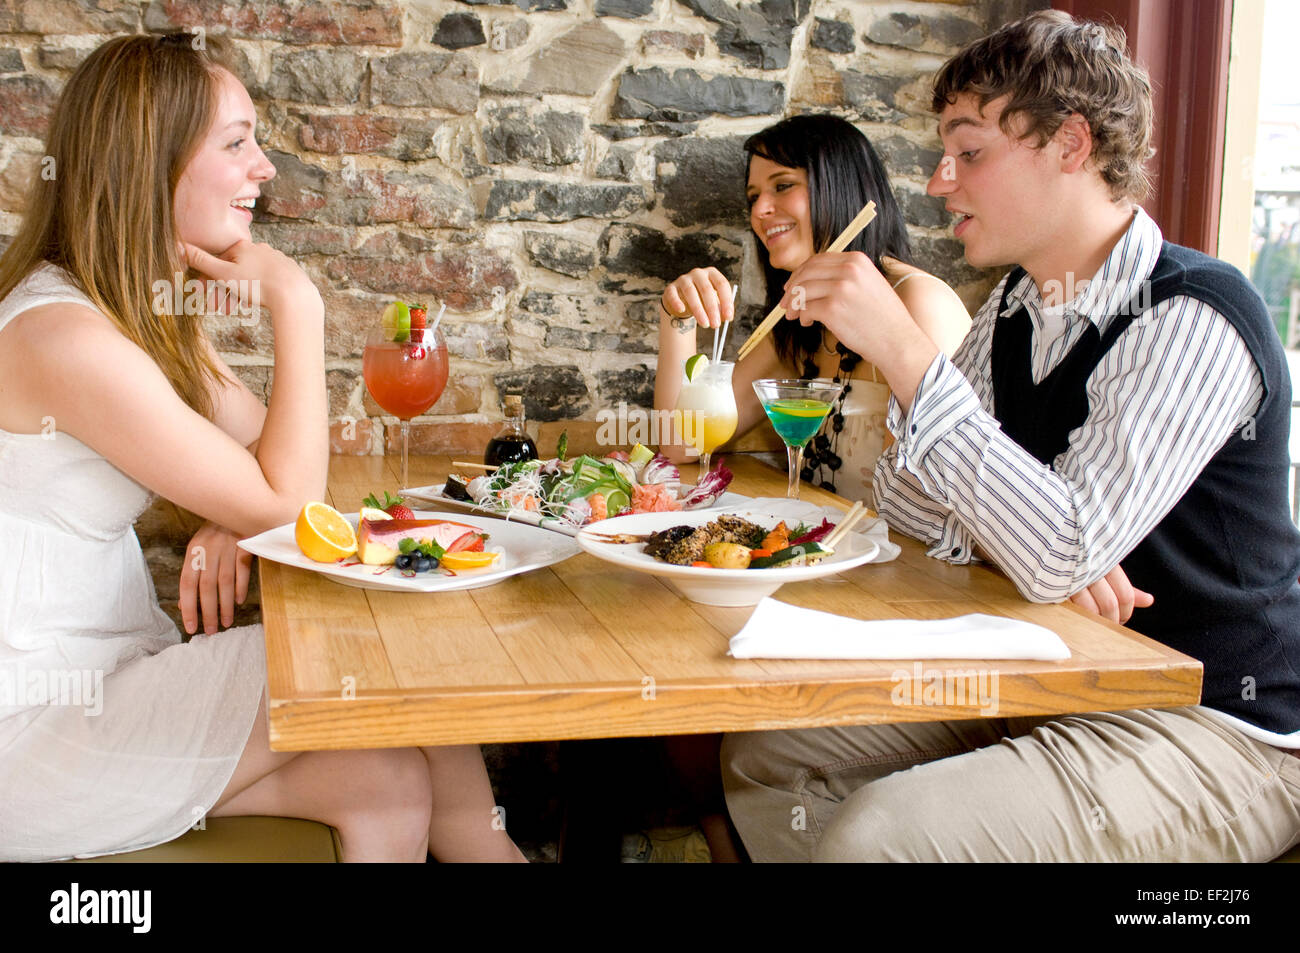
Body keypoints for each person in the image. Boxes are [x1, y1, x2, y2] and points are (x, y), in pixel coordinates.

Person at [721, 10, 1300, 862]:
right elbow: (913, 513)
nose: (939, 181)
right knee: (769, 755)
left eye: (970, 152)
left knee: (877, 837)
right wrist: (1043, 542)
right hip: (1056, 671)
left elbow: (1056, 545)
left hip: (1213, 724)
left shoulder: (1198, 315)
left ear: (1070, 144)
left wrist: (910, 356)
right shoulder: (1014, 311)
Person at [0, 34, 524, 863]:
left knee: (388, 781)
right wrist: (296, 303)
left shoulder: (133, 312)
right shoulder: (63, 336)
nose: (266, 167)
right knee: (382, 655)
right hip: (34, 730)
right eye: (237, 142)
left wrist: (234, 513)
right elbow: (290, 500)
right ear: (151, 161)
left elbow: (272, 473)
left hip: (114, 682)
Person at [652, 113, 971, 502]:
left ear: (840, 186)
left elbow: (923, 497)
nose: (759, 211)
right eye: (753, 198)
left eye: (782, 186)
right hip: (821, 549)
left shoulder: (920, 302)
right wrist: (678, 318)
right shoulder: (799, 319)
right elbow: (682, 443)